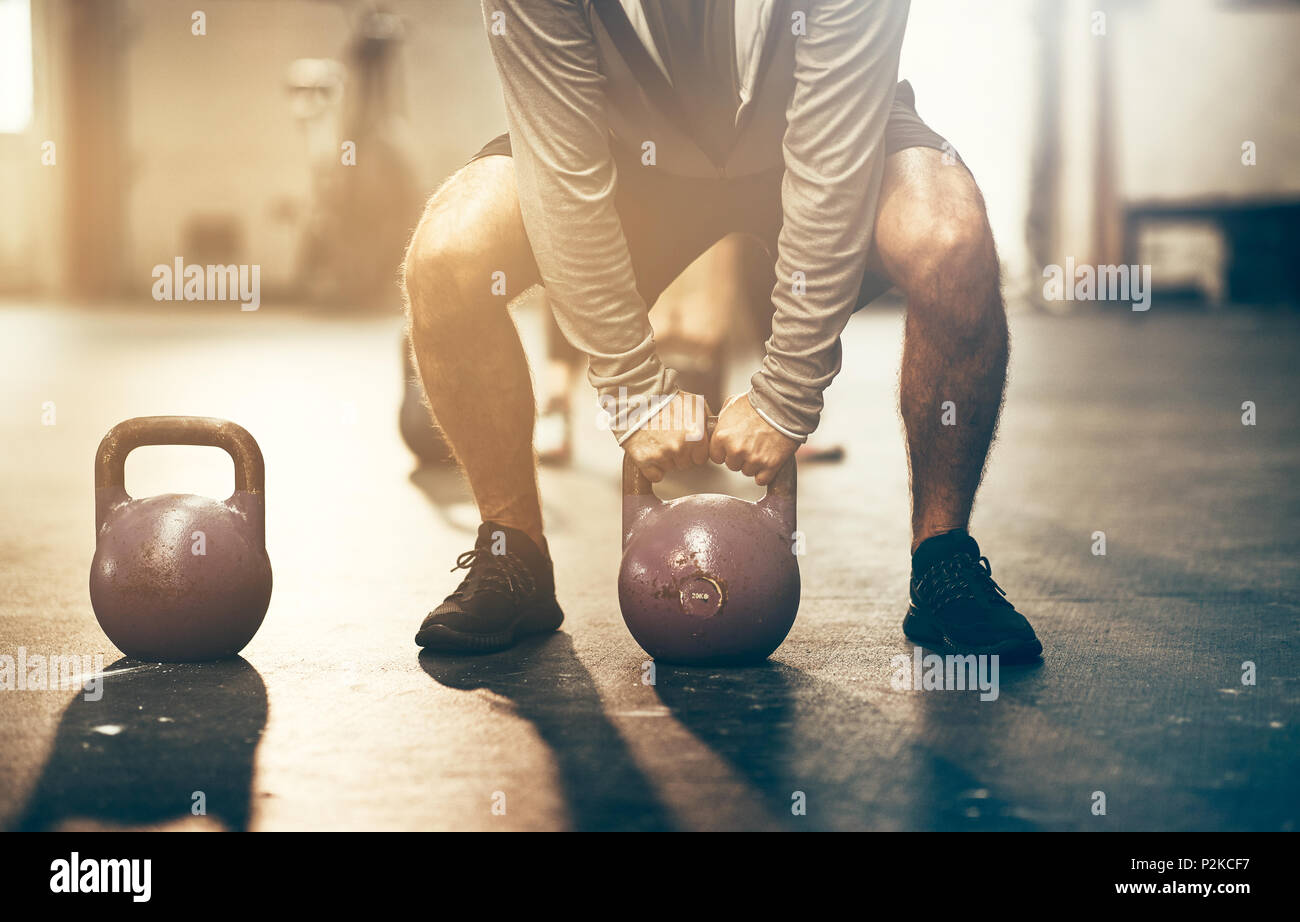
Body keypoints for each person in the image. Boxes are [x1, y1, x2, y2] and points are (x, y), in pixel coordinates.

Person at [402, 0, 1042, 662]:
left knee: (949, 239)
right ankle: (515, 558)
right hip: (619, 147)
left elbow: (830, 162)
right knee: (448, 256)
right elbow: (563, 165)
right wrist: (632, 390)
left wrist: (788, 390)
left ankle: (944, 561)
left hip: (829, 136)